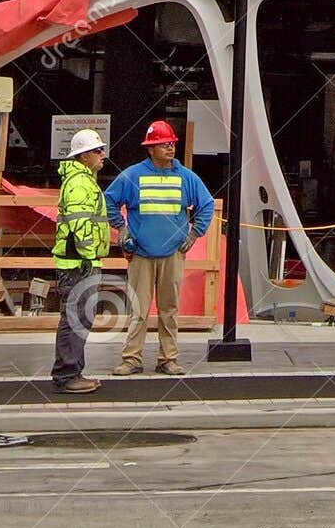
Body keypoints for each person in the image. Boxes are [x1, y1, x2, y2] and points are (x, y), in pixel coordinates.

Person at [104, 120, 214, 376]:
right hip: (142, 253)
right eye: (163, 144)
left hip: (172, 253)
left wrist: (196, 232)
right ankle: (132, 358)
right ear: (150, 149)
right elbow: (108, 200)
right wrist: (121, 228)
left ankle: (168, 358)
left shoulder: (186, 177)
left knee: (169, 309)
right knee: (139, 310)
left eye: (171, 143)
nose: (170, 148)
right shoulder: (133, 175)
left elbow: (206, 204)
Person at [50, 129, 110, 393]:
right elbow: (79, 223)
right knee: (75, 319)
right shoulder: (80, 183)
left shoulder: (80, 180)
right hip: (78, 264)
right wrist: (88, 256)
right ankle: (67, 375)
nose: (102, 155)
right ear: (84, 155)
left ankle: (73, 372)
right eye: (98, 151)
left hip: (78, 262)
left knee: (78, 318)